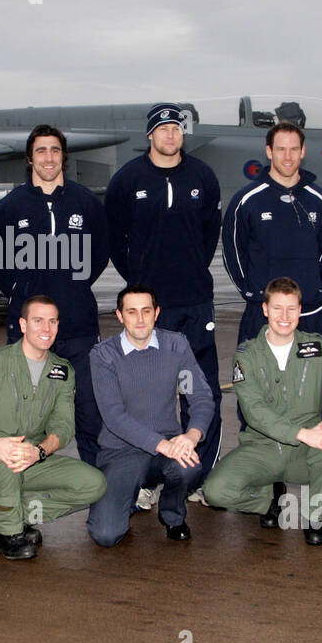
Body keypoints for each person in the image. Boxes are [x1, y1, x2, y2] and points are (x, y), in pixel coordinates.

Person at [104, 103, 223, 485]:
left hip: (193, 303)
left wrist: (188, 270)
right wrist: (140, 280)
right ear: (150, 135)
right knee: (145, 399)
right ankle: (145, 481)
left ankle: (196, 475)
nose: (171, 135)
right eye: (163, 128)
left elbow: (208, 237)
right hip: (148, 311)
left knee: (199, 389)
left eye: (177, 128)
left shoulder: (203, 177)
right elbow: (114, 239)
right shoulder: (128, 179)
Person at [203, 278, 322, 545]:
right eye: (277, 308)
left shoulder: (317, 348)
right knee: (216, 491)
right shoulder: (247, 354)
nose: (284, 316)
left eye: (291, 308)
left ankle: (315, 516)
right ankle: (268, 501)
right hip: (263, 446)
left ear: (300, 310)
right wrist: (301, 433)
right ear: (265, 309)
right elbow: (254, 411)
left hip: (307, 450)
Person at [0, 125, 109, 465]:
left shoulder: (85, 203)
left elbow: (98, 253)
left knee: (88, 411)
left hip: (78, 327)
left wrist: (74, 287)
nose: (48, 157)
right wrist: (22, 293)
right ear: (30, 158)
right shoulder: (12, 206)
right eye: (41, 151)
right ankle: (21, 497)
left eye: (55, 150)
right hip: (29, 331)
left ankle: (98, 490)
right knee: (23, 414)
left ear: (63, 157)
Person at [0, 296, 107, 559]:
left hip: (34, 458)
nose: (46, 329)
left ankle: (15, 513)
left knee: (94, 483)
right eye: (38, 321)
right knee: (9, 456)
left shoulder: (62, 370)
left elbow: (63, 427)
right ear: (22, 324)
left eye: (52, 321)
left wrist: (39, 451)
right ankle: (8, 536)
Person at [86, 285, 215, 546]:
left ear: (157, 313)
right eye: (131, 312)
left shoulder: (176, 346)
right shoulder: (104, 356)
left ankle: (172, 515)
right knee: (106, 536)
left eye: (146, 311)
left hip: (165, 444)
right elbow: (113, 416)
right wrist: (162, 445)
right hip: (120, 450)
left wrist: (192, 435)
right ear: (120, 316)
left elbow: (200, 395)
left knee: (188, 465)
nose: (140, 319)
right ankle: (125, 492)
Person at [222, 120, 322, 346]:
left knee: (315, 381)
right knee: (258, 380)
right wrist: (254, 293)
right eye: (281, 149)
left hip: (310, 312)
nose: (287, 156)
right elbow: (232, 252)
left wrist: (312, 284)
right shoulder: (246, 200)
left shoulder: (321, 200)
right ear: (269, 152)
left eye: (294, 149)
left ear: (303, 152)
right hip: (263, 315)